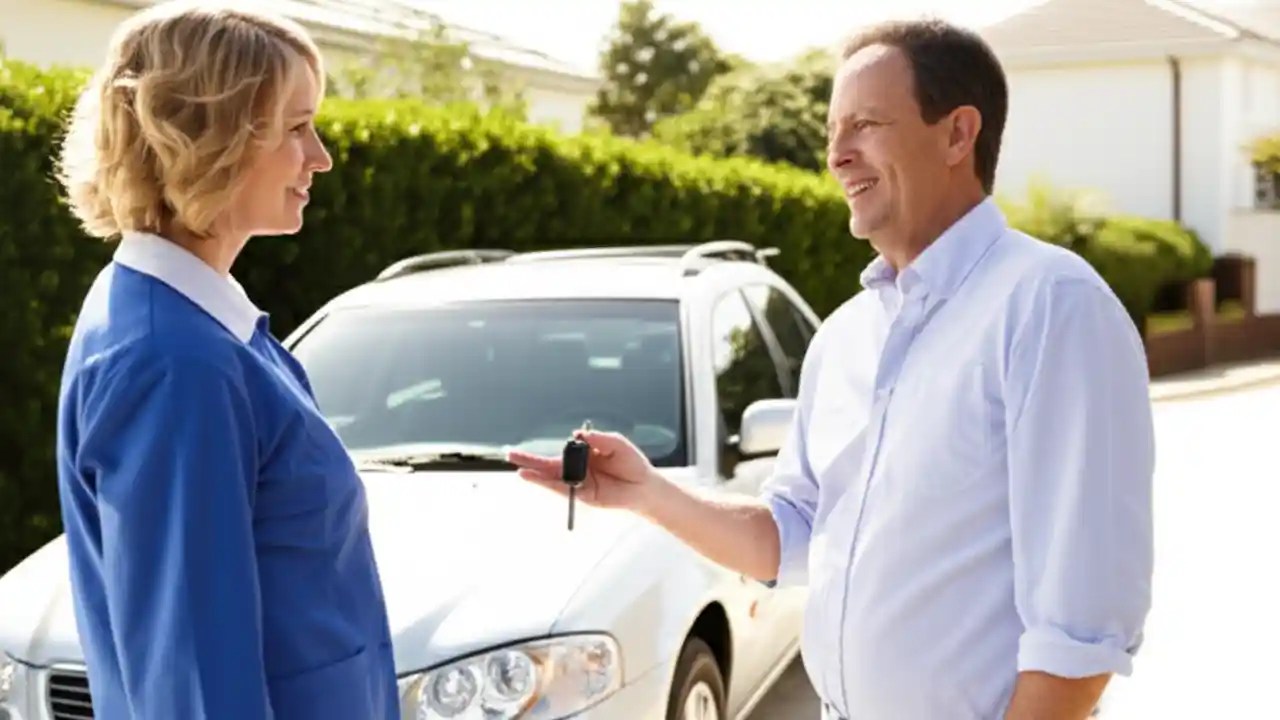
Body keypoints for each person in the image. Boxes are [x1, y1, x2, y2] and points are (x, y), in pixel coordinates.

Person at [508, 17, 1155, 720]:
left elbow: (1081, 637)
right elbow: (793, 540)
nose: (838, 156)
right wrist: (649, 494)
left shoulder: (1050, 307)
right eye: (832, 133)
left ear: (958, 134)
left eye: (866, 125)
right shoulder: (846, 336)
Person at [53, 2, 398, 717]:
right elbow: (193, 687)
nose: (322, 157)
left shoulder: (198, 324)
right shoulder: (176, 363)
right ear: (210, 139)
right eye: (297, 128)